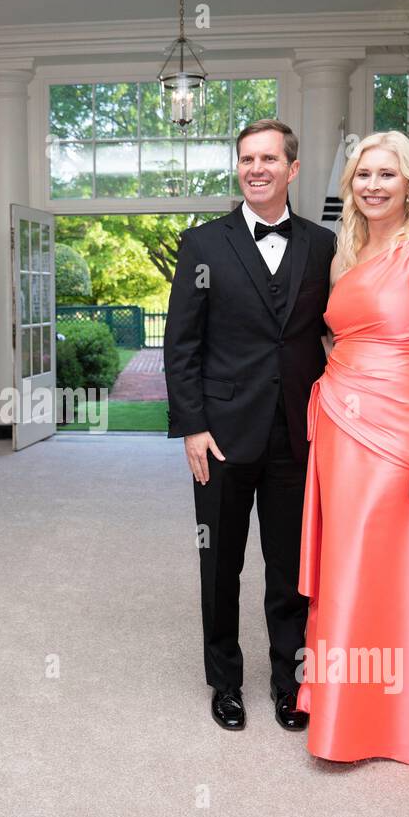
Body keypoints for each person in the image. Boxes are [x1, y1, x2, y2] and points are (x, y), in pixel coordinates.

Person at [296, 131, 409, 787]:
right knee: (346, 562)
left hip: (397, 429)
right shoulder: (347, 255)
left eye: (386, 175)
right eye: (363, 174)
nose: (372, 185)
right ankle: (342, 707)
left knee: (387, 562)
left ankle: (393, 721)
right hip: (338, 422)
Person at [163, 119, 336, 734]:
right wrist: (191, 427)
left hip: (299, 433)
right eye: (246, 158)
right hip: (222, 436)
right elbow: (181, 343)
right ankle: (225, 683)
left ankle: (290, 685)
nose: (256, 168)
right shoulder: (202, 245)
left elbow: (335, 333)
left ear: (292, 169)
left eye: (268, 158)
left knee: (291, 570)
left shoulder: (322, 246)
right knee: (220, 565)